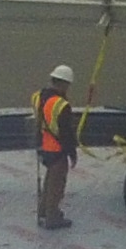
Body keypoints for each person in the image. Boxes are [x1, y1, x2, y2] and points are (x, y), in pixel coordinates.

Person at [31, 62, 78, 230]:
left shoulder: (38, 97)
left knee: (49, 180)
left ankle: (43, 211)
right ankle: (52, 217)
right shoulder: (61, 105)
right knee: (56, 184)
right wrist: (72, 153)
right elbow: (66, 133)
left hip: (43, 146)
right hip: (57, 149)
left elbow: (38, 122)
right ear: (64, 83)